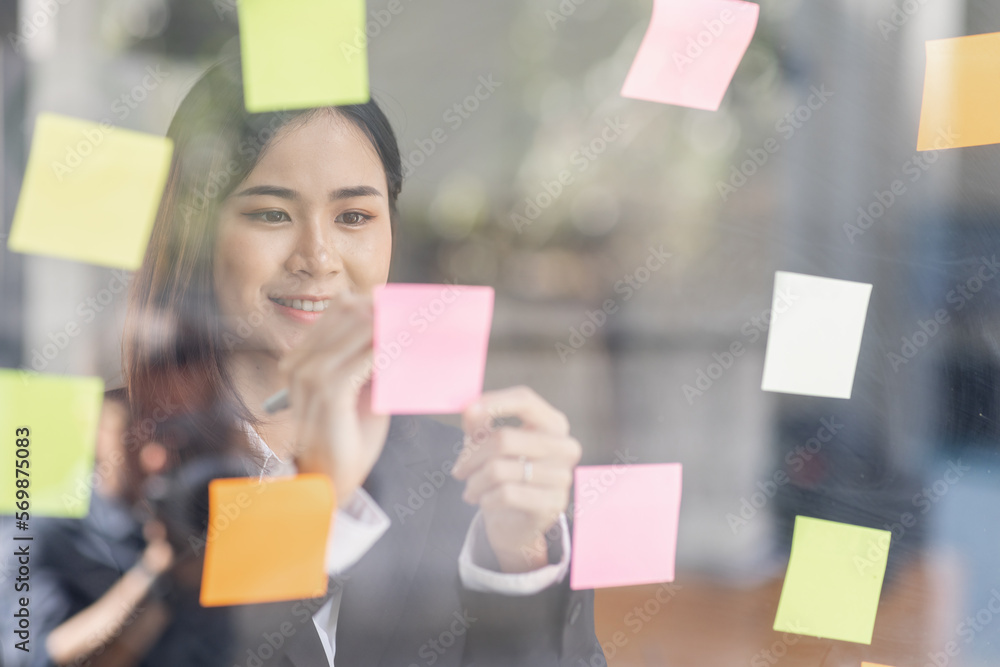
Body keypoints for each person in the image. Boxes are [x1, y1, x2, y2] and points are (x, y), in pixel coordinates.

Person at [118, 54, 603, 666]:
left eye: (354, 217)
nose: (317, 257)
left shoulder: (468, 477)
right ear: (192, 233)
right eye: (271, 213)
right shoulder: (110, 463)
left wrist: (519, 564)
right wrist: (318, 502)